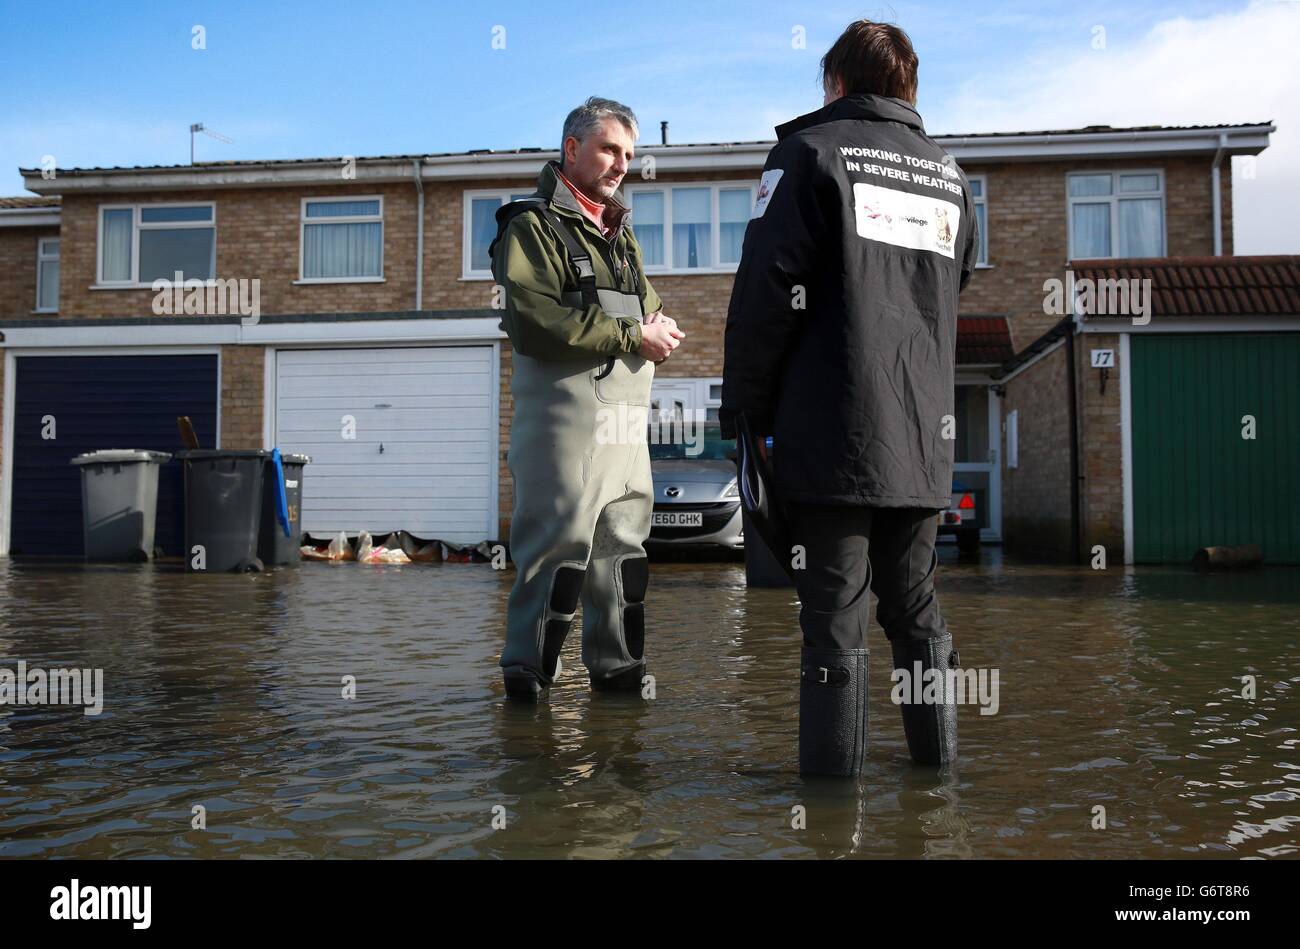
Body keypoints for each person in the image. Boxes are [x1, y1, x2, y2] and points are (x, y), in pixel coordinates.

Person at [719, 21, 979, 775]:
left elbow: (766, 294)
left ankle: (832, 816)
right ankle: (938, 783)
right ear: (908, 88)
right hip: (923, 437)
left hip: (834, 433)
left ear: (837, 83)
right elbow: (950, 285)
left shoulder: (808, 154)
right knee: (916, 609)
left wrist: (748, 412)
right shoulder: (949, 175)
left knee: (835, 619)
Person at [491, 97, 685, 702]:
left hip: (626, 429)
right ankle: (528, 688)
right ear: (571, 149)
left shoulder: (621, 235)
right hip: (566, 431)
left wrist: (662, 324)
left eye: (629, 154)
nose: (621, 164)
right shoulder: (530, 226)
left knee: (624, 554)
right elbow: (534, 322)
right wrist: (635, 333)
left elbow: (647, 306)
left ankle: (619, 671)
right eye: (609, 149)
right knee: (558, 553)